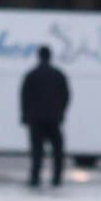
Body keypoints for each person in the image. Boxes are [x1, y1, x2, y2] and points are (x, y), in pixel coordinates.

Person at [20, 45, 70, 187]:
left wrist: (25, 116)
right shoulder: (58, 75)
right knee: (57, 151)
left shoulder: (32, 75)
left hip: (36, 119)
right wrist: (61, 113)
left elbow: (25, 97)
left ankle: (35, 178)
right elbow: (66, 96)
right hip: (53, 119)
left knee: (37, 152)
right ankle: (57, 178)